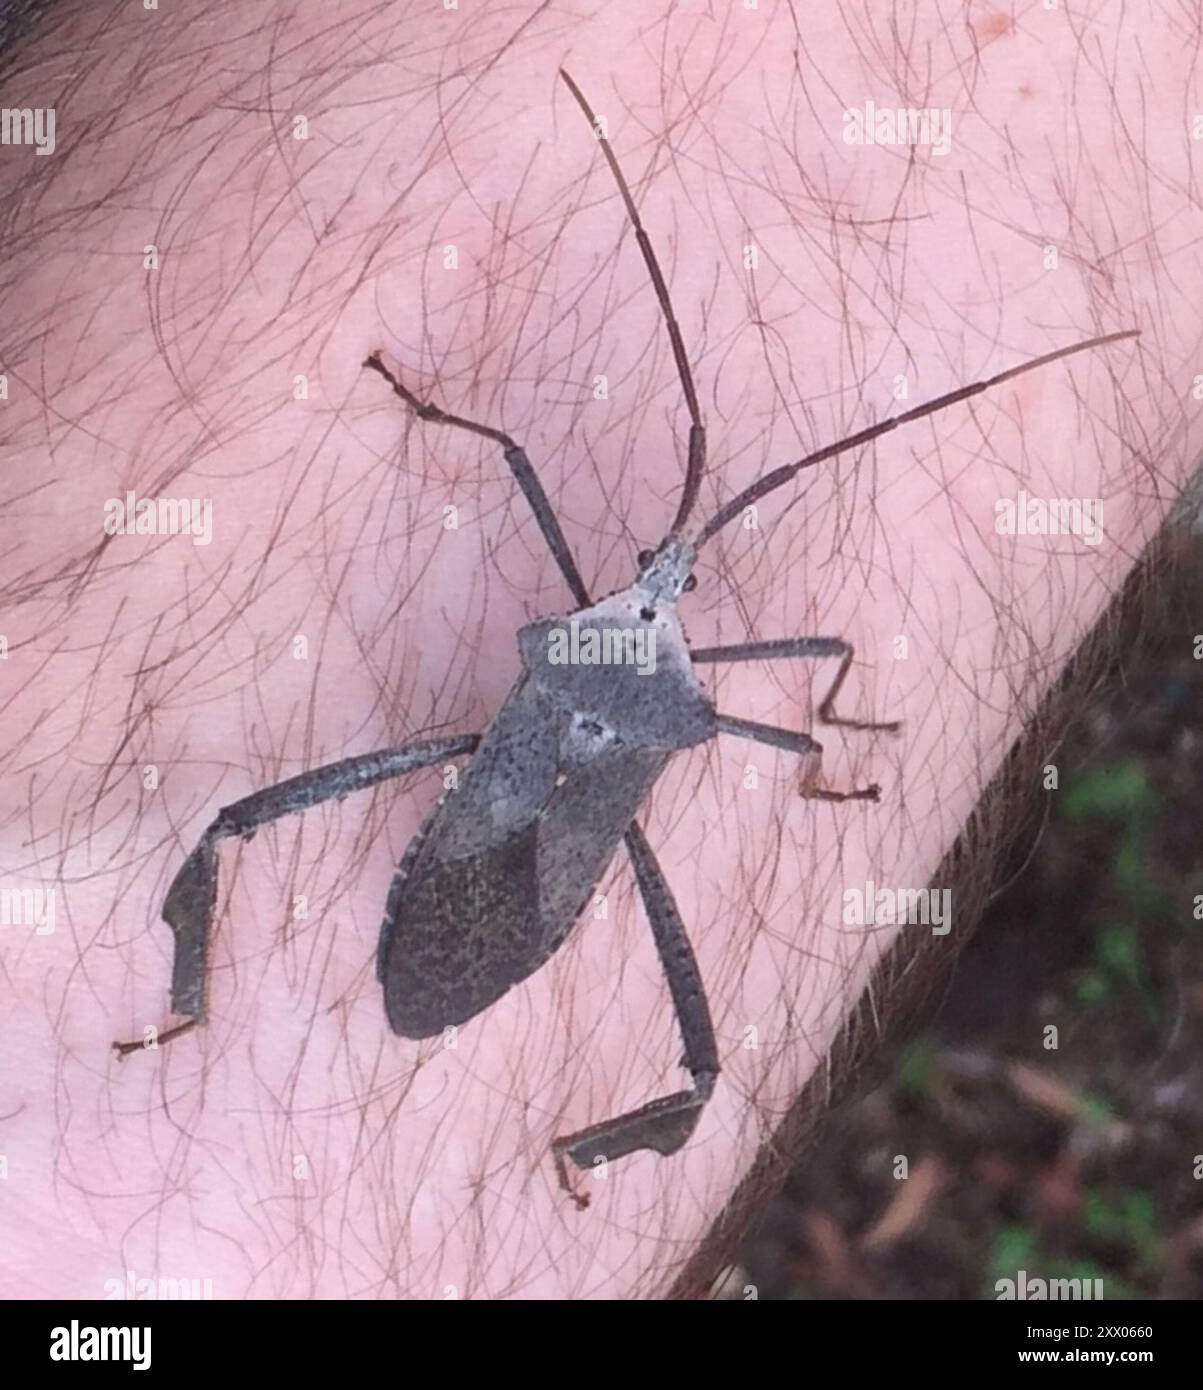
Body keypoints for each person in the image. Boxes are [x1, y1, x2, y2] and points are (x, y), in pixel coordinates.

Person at [1, 0, 1198, 1299]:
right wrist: (817, 749)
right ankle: (579, 1144)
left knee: (234, 823)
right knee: (698, 1073)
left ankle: (191, 999)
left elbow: (520, 465)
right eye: (658, 584)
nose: (657, 581)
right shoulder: (690, 696)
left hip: (505, 801)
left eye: (654, 585)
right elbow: (812, 668)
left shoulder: (610, 643)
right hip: (565, 852)